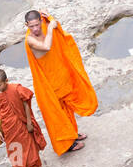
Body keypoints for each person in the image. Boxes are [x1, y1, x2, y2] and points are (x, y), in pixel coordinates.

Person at [24, 10, 97, 156]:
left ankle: (73, 134)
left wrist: (48, 17)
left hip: (59, 75)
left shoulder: (44, 25)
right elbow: (46, 46)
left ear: (40, 21)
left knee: (67, 108)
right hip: (49, 83)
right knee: (58, 113)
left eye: (37, 24)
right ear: (27, 25)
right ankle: (68, 144)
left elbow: (55, 24)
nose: (36, 29)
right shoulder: (30, 39)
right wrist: (50, 27)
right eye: (31, 26)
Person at [0, 69, 52, 167]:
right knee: (15, 148)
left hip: (21, 124)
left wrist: (29, 122)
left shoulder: (16, 89)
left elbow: (26, 103)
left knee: (30, 146)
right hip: (8, 128)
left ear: (6, 81)